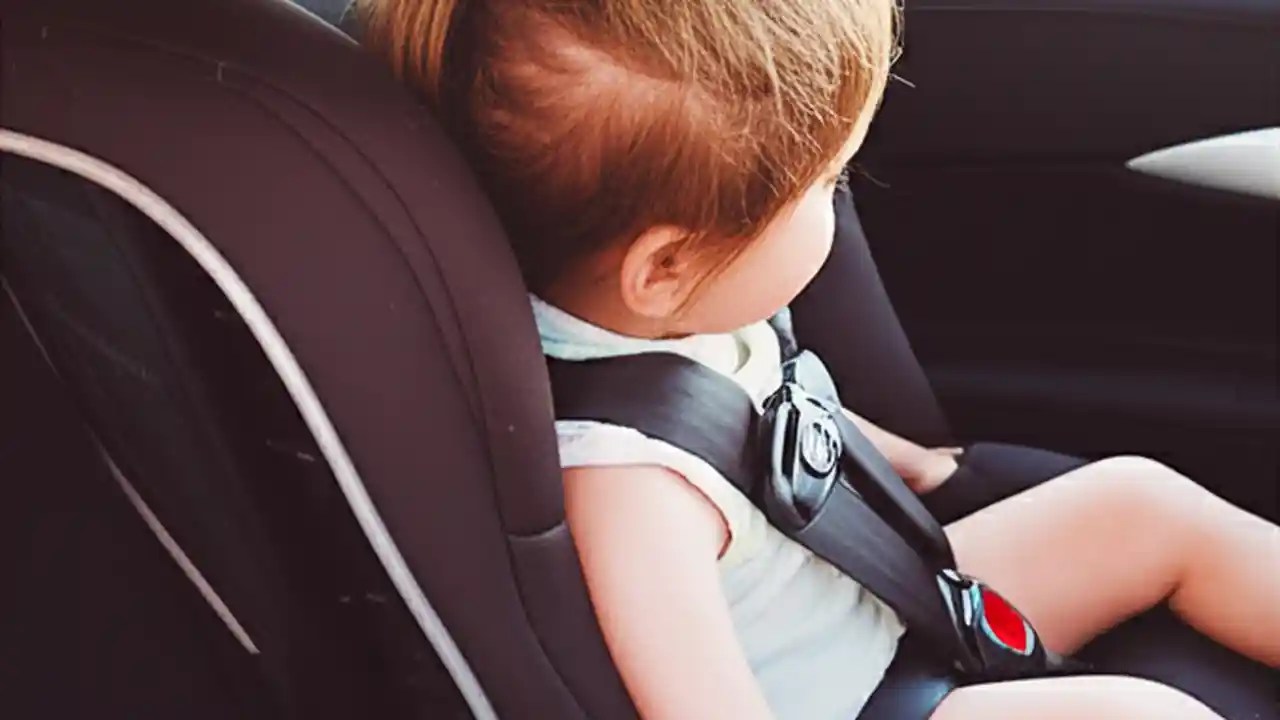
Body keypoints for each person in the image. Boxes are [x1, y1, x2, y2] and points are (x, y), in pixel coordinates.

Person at [358, 1, 1280, 717]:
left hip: (879, 596)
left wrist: (914, 468)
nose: (837, 207)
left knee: (1142, 503)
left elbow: (777, 425)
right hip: (856, 702)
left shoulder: (674, 318)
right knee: (1142, 713)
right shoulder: (629, 493)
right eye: (821, 188)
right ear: (666, 266)